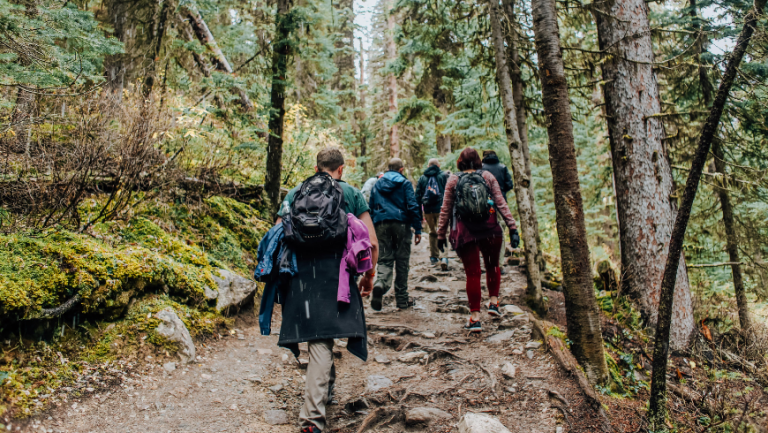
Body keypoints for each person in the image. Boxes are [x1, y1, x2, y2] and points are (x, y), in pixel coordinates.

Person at [275, 147, 379, 433]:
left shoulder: (296, 192)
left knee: (319, 336)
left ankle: (326, 391)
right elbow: (371, 241)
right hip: (337, 274)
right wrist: (368, 275)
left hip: (301, 275)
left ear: (316, 166)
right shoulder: (352, 194)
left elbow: (276, 233)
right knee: (322, 339)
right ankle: (311, 419)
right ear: (340, 169)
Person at [437, 148, 518, 333]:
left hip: (465, 233)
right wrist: (512, 227)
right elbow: (500, 202)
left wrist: (440, 234)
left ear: (460, 161)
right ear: (478, 161)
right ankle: (494, 303)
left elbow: (445, 209)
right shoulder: (488, 176)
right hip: (490, 229)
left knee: (472, 273)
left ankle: (475, 318)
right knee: (493, 266)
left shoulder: (454, 179)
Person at [368, 158, 422, 311]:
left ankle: (380, 284)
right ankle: (402, 300)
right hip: (401, 224)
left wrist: (372, 228)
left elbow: (371, 206)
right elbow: (412, 205)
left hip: (381, 224)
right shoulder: (405, 183)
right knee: (402, 262)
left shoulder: (377, 183)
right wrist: (417, 229)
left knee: (384, 260)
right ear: (401, 169)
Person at [482, 150, 519, 273]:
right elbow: (509, 185)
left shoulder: (480, 169)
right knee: (500, 232)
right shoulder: (502, 167)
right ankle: (499, 264)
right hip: (500, 203)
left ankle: (486, 262)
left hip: (483, 205)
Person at [415, 158, 448, 267]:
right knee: (443, 232)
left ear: (428, 166)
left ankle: (434, 257)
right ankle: (444, 257)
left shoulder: (422, 178)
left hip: (428, 210)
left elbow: (417, 197)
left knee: (432, 232)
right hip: (441, 209)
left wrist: (419, 215)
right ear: (438, 165)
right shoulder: (443, 176)